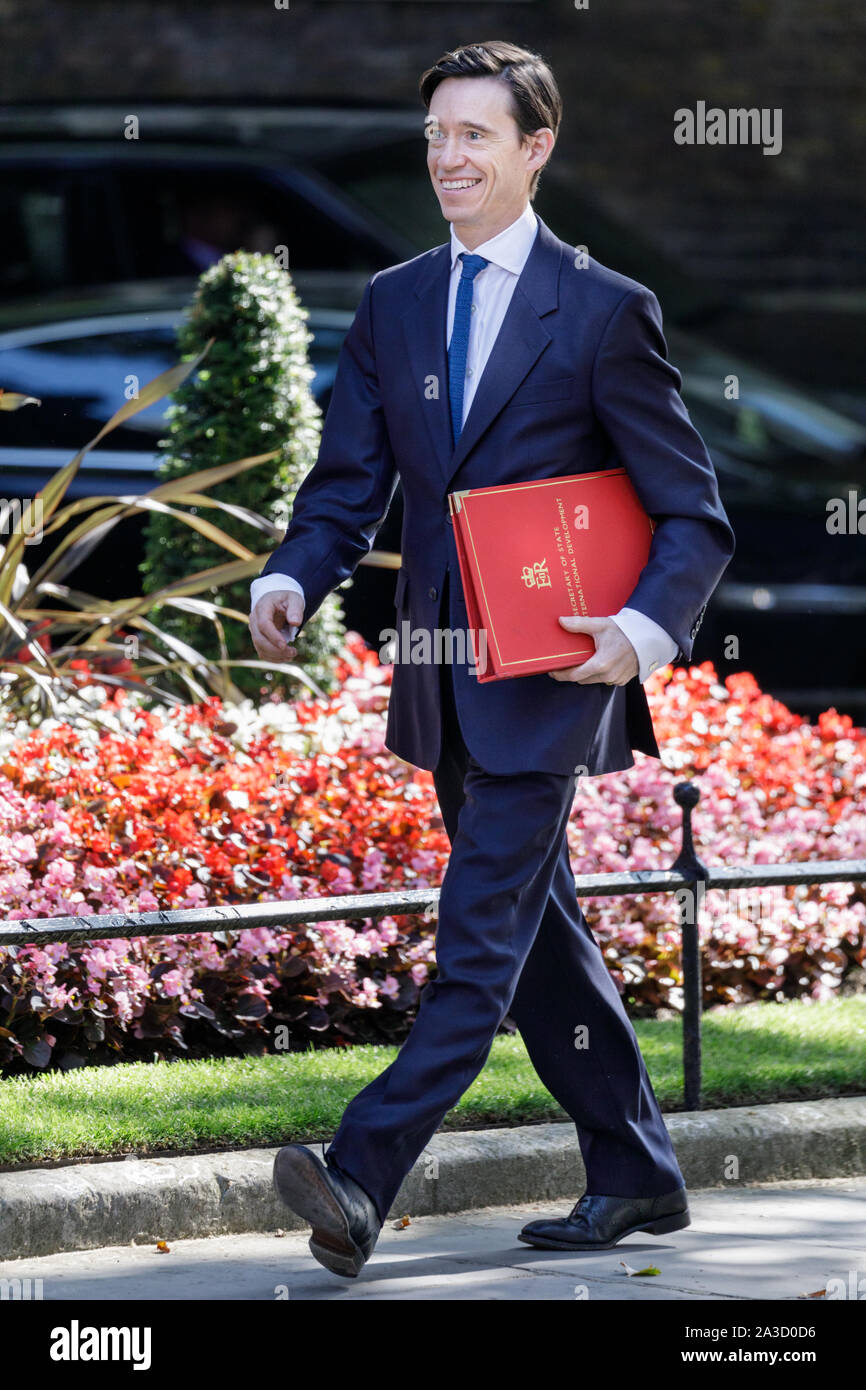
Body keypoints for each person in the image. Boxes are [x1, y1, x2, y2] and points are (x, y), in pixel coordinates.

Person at [250, 40, 735, 1280]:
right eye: (435, 137)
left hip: (550, 684)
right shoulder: (394, 300)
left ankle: (360, 1172)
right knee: (539, 937)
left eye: (474, 136)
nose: (446, 158)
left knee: (476, 945)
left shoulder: (606, 309)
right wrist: (296, 572)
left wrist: (634, 635)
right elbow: (348, 481)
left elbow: (690, 513)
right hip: (437, 674)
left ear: (536, 147)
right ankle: (636, 1172)